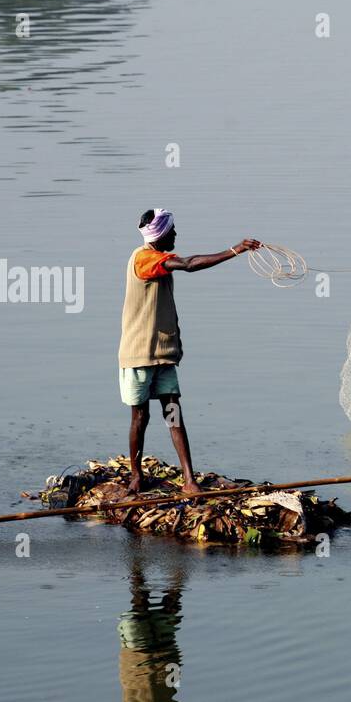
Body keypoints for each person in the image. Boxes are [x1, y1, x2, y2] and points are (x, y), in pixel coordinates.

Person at [118, 208, 260, 494]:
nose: (176, 234)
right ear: (160, 234)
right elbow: (190, 264)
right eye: (172, 230)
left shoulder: (157, 258)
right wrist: (235, 250)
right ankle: (136, 475)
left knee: (173, 414)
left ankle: (189, 480)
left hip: (163, 354)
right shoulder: (145, 259)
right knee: (140, 417)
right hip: (138, 356)